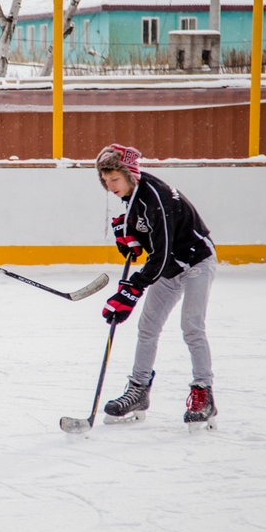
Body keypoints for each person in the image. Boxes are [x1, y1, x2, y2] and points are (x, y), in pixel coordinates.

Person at [96, 144, 219, 428]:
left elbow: (160, 255)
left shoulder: (157, 198)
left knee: (191, 326)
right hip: (169, 266)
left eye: (114, 179)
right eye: (105, 181)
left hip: (196, 262)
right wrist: (130, 236)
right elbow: (151, 241)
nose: (109, 186)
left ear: (130, 174)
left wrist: (130, 290)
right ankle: (139, 390)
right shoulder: (134, 195)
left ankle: (204, 393)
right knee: (148, 327)